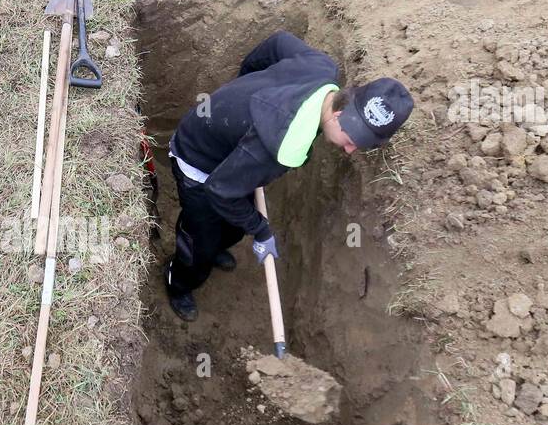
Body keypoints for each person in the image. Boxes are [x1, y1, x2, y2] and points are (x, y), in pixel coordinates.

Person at [163, 30, 413, 321]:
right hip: (198, 162)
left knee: (232, 227)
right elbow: (219, 190)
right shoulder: (281, 146)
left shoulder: (321, 68)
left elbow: (278, 42)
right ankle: (179, 284)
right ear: (339, 112)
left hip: (234, 156)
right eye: (351, 137)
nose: (350, 149)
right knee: (199, 243)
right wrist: (262, 230)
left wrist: (246, 82)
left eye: (361, 143)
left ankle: (217, 245)